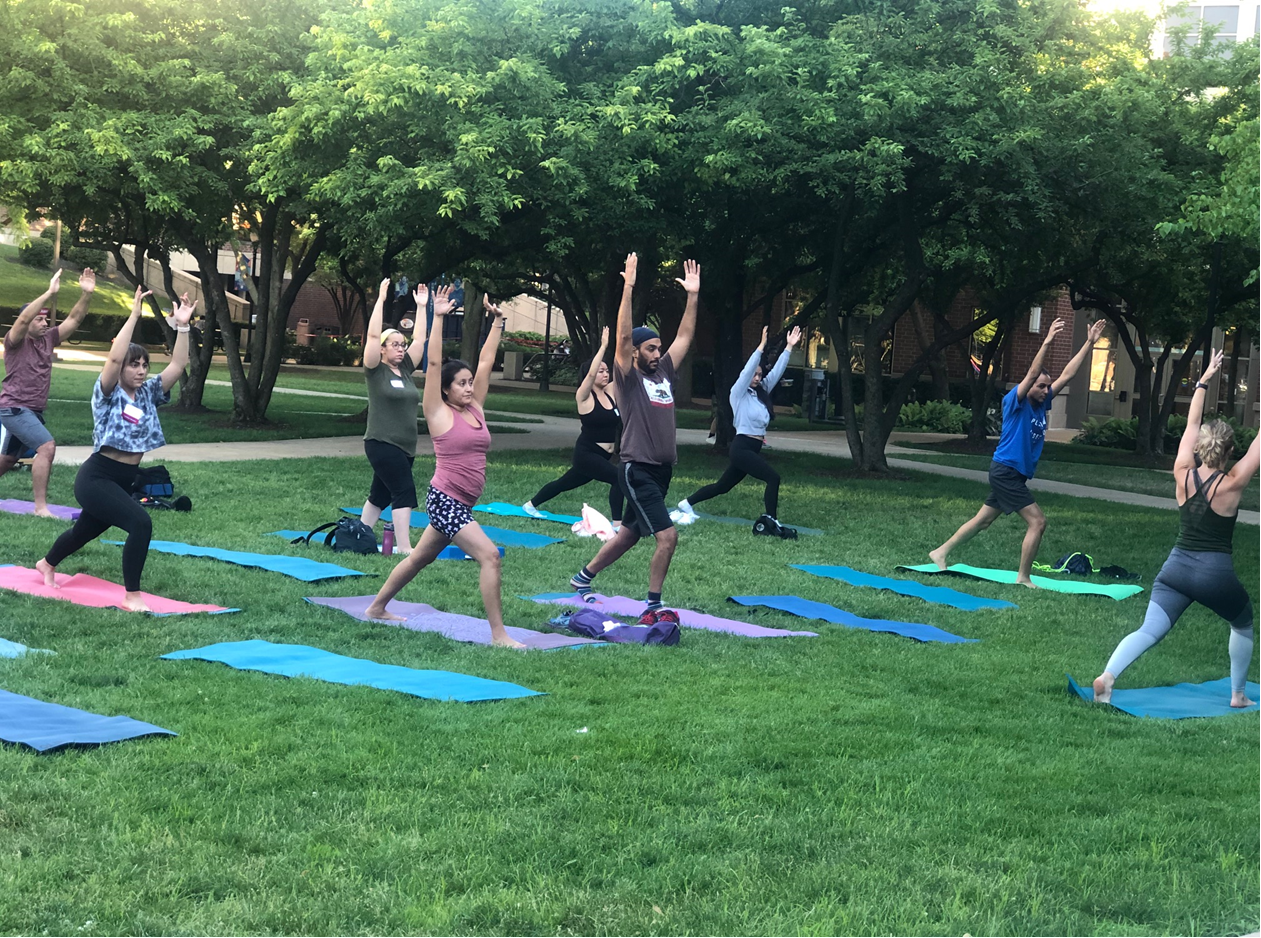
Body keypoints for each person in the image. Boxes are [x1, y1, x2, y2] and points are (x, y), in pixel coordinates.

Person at [1093, 350, 1257, 709]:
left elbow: (1191, 424)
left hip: (1175, 571)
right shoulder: (1232, 482)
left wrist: (1203, 382)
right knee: (1243, 623)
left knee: (1149, 630)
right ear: (1229, 450)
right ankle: (1238, 695)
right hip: (1214, 573)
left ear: (1200, 447)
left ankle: (1108, 676)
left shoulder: (1182, 471)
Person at [363, 287, 525, 649]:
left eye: (470, 383)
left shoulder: (475, 408)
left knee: (419, 558)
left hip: (462, 502)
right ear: (446, 390)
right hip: (446, 500)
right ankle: (499, 635)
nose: (468, 388)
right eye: (461, 384)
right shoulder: (438, 412)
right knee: (490, 556)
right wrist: (436, 317)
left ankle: (376, 607)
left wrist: (498, 322)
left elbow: (486, 362)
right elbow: (434, 364)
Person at [36, 287, 195, 612]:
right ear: (122, 368)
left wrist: (182, 326)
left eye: (144, 365)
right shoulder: (107, 393)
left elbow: (179, 365)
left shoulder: (149, 392)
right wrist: (134, 315)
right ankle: (132, 596)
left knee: (83, 532)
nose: (141, 370)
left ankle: (47, 563)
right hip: (97, 477)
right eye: (133, 365)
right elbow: (112, 358)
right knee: (141, 523)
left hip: (123, 480)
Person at [568, 253, 700, 620]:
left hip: (661, 470)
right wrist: (628, 287)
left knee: (628, 534)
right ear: (636, 352)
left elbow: (685, 335)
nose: (658, 353)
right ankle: (653, 604)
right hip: (637, 468)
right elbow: (623, 336)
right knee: (667, 537)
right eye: (651, 348)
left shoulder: (665, 372)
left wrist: (692, 296)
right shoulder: (627, 378)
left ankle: (582, 578)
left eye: (659, 347)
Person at [930, 316, 1105, 587]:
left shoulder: (1041, 403)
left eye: (1047, 387)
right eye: (1041, 386)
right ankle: (1023, 577)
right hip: (1006, 471)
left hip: (1013, 473)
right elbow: (1032, 373)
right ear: (1029, 385)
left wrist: (1089, 343)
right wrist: (1047, 341)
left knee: (982, 521)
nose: (1046, 390)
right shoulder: (1015, 402)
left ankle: (940, 552)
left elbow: (1068, 374)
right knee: (1038, 522)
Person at [676, 324, 803, 537]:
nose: (757, 378)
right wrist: (760, 347)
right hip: (742, 447)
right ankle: (771, 520)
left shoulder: (761, 393)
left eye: (759, 375)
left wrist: (789, 347)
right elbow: (746, 372)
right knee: (773, 478)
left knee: (722, 486)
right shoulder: (737, 393)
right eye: (754, 375)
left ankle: (687, 503)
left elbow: (777, 372)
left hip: (752, 448)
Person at [0, 268, 96, 516]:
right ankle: (40, 507)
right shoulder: (15, 341)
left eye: (45, 319)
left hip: (32, 410)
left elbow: (74, 319)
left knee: (8, 459)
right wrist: (49, 292)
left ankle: (40, 506)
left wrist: (86, 294)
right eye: (39, 319)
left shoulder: (49, 339)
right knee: (47, 447)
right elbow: (23, 320)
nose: (45, 323)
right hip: (14, 408)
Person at [523, 326, 624, 523]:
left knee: (564, 483)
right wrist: (603, 346)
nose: (606, 374)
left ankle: (530, 504)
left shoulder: (610, 392)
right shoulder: (584, 396)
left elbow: (625, 370)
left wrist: (635, 348)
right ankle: (618, 524)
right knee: (619, 478)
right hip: (587, 453)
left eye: (607, 371)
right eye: (601, 371)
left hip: (603, 455)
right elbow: (590, 375)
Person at [359, 277, 428, 555]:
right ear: (383, 349)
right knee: (404, 491)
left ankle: (359, 536)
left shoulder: (406, 369)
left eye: (402, 344)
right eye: (395, 345)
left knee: (380, 495)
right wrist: (380, 300)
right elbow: (372, 337)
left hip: (405, 447)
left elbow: (420, 339)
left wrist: (421, 307)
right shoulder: (375, 370)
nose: (401, 348)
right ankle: (404, 547)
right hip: (382, 442)